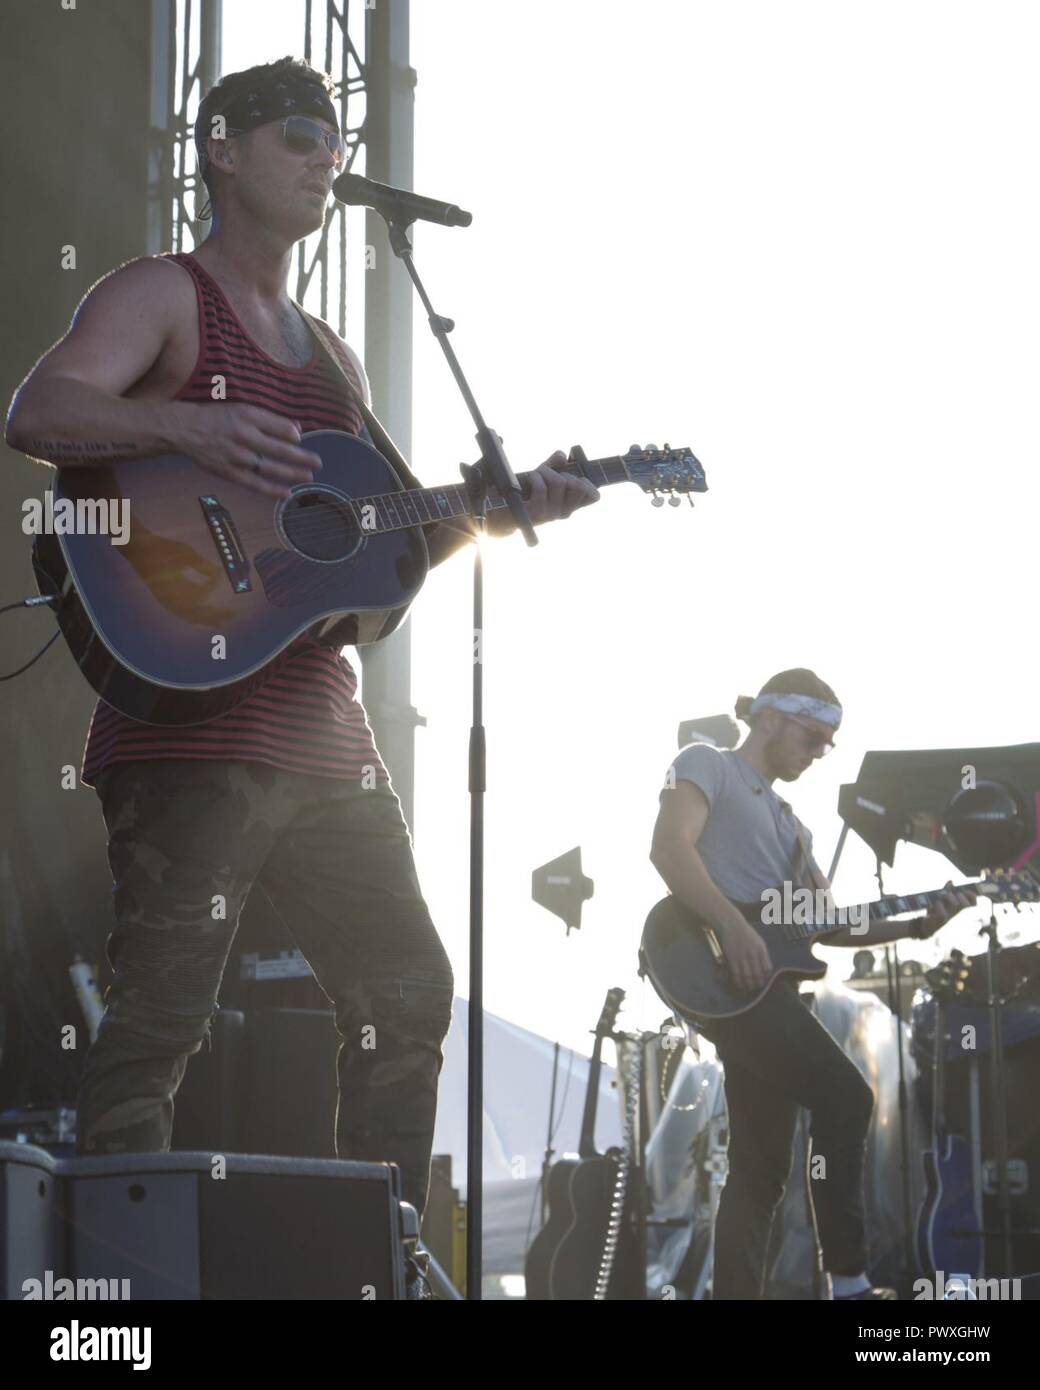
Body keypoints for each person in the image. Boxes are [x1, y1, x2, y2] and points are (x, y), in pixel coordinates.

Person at [6, 56, 599, 1292]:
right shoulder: (160, 295)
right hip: (188, 740)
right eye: (297, 136)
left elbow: (373, 550)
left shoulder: (331, 356)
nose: (325, 156)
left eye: (334, 141)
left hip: (324, 740)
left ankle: (374, 1265)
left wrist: (499, 506)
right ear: (221, 149)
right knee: (160, 1015)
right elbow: (40, 410)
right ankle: (123, 1292)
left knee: (406, 988)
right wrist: (186, 423)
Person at [649, 668, 975, 1300]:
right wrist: (732, 928)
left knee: (761, 1170)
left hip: (767, 992)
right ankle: (850, 1282)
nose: (822, 750)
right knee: (847, 1099)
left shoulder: (794, 828)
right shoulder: (706, 763)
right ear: (769, 717)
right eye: (813, 734)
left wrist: (915, 924)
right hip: (713, 967)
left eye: (830, 740)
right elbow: (668, 848)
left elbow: (827, 927)